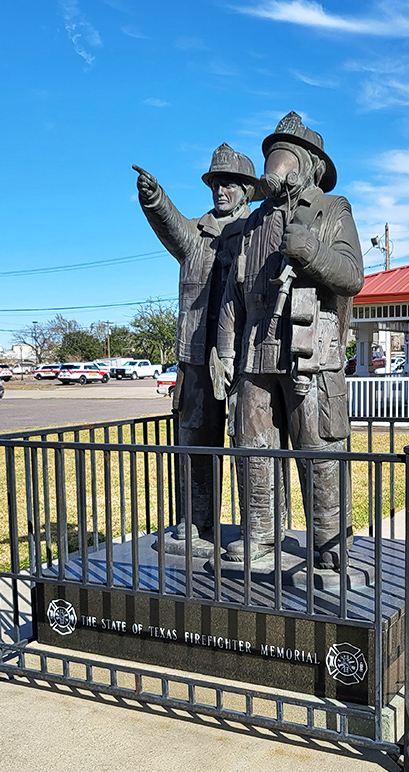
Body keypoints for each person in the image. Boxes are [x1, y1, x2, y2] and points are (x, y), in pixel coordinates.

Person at [217, 112, 364, 567]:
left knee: (318, 448)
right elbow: (232, 296)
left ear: (307, 163)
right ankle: (260, 533)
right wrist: (226, 350)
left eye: (284, 154)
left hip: (310, 353)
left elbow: (352, 275)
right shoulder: (252, 224)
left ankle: (329, 541)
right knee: (252, 447)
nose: (276, 164)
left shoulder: (332, 211)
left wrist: (311, 250)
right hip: (256, 355)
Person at [133, 144, 262, 553]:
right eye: (215, 183)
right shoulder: (196, 234)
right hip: (196, 353)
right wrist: (155, 197)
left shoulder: (258, 230)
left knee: (251, 443)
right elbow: (169, 222)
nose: (220, 190)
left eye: (229, 184)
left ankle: (257, 532)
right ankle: (196, 519)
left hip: (245, 355)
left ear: (246, 189)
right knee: (194, 439)